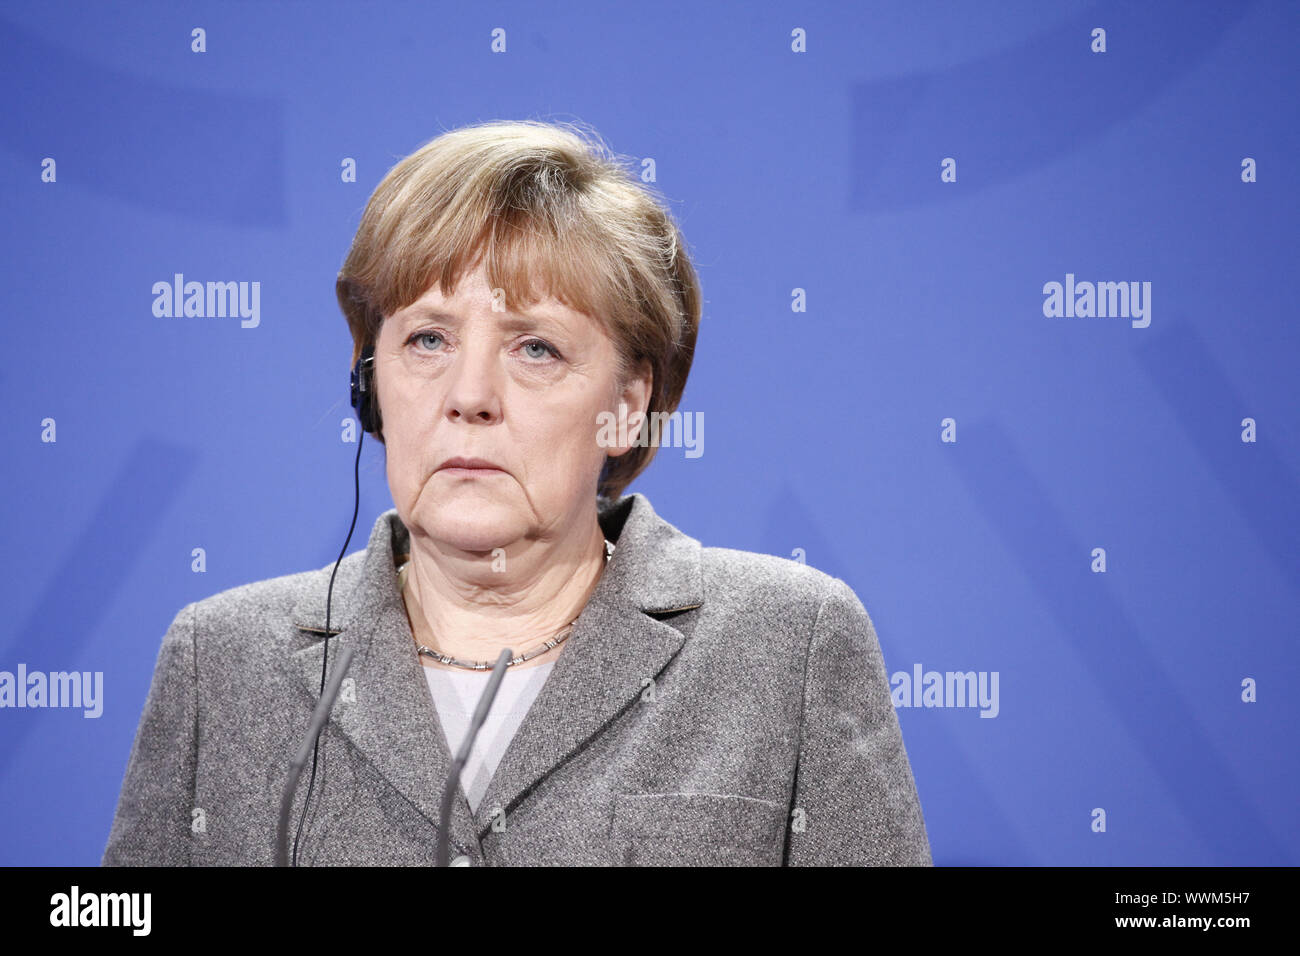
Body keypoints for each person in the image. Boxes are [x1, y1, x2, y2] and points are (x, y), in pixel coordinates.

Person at [102, 119, 931, 866]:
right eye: (427, 339)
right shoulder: (221, 662)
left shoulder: (790, 644)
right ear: (371, 385)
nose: (470, 395)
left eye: (535, 348)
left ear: (625, 407)